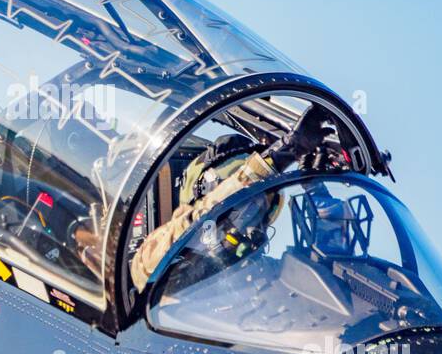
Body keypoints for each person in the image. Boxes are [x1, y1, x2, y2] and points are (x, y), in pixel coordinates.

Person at [129, 102, 348, 291]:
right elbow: (152, 266)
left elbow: (330, 285)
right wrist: (283, 154)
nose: (252, 225)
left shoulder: (263, 277)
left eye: (261, 212)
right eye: (248, 208)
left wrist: (318, 196)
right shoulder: (151, 262)